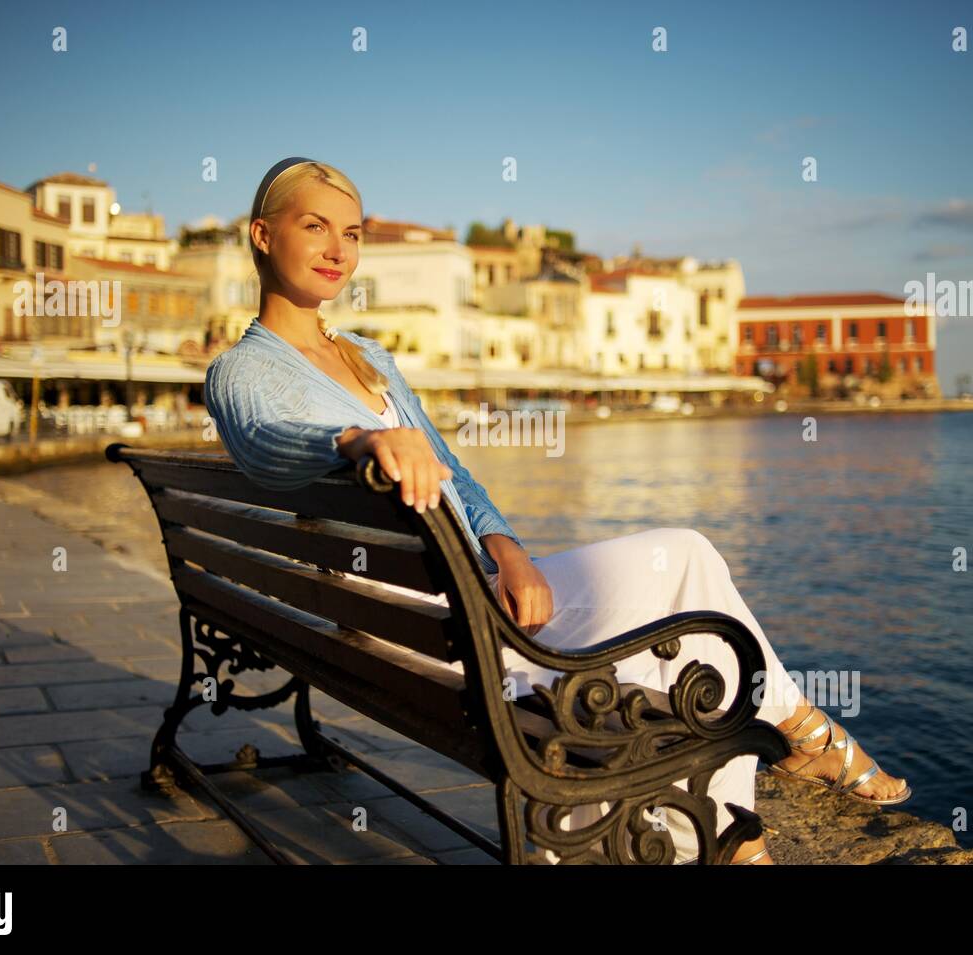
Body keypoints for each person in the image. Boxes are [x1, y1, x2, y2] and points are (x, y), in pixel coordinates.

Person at [203, 157, 911, 864]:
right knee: (672, 649)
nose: (338, 250)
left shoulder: (367, 356)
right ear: (263, 236)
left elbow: (454, 471)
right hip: (433, 628)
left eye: (351, 233)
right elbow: (267, 445)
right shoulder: (242, 371)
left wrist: (507, 548)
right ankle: (767, 780)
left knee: (685, 555)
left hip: (460, 599)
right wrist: (357, 438)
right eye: (315, 226)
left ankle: (770, 758)